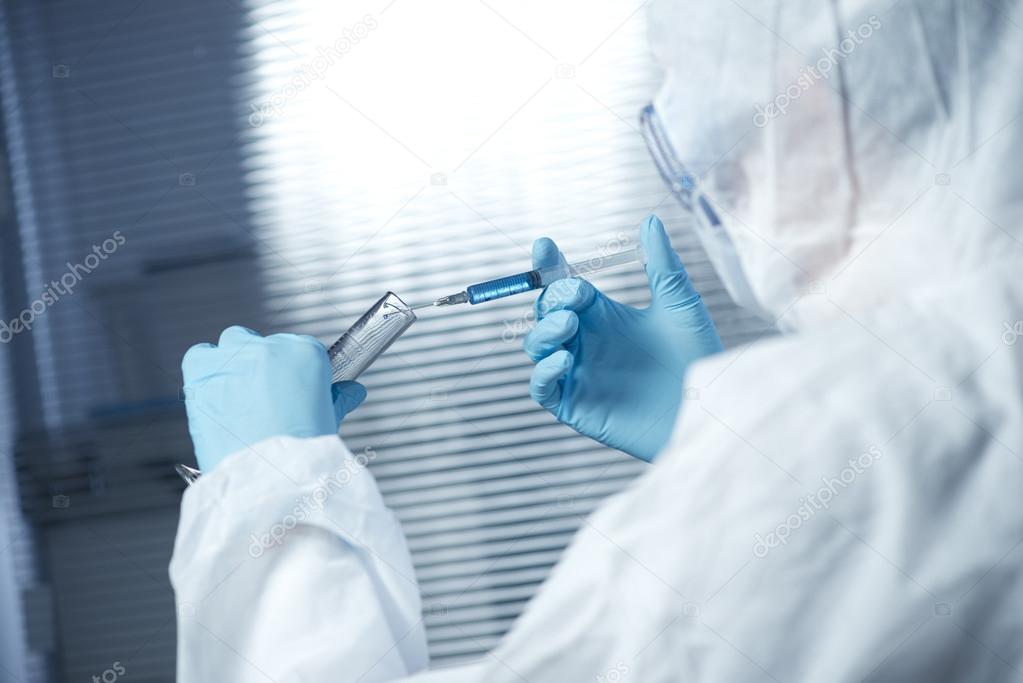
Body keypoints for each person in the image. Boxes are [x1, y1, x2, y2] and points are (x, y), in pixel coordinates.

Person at [171, 0, 1023, 679]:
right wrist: (723, 443)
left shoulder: (860, 416)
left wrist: (267, 494)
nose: (718, 181)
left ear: (862, 88)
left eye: (740, 125)